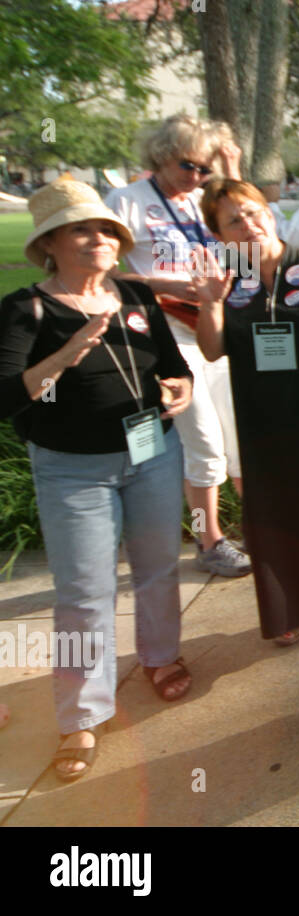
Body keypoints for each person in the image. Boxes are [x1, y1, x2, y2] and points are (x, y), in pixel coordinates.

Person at [0, 180, 195, 782]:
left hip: (151, 454)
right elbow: (8, 396)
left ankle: (161, 658)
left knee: (159, 565)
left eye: (107, 229)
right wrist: (68, 353)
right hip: (72, 470)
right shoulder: (27, 308)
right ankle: (80, 715)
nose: (99, 238)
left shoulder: (135, 294)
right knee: (83, 593)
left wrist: (180, 390)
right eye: (82, 229)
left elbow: (175, 366)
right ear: (51, 243)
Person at [191, 178, 299, 645]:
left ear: (269, 213)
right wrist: (209, 303)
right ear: (221, 237)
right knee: (277, 512)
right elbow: (211, 351)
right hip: (264, 421)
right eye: (233, 221)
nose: (247, 225)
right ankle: (291, 606)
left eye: (252, 212)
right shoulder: (229, 279)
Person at [105, 114, 251, 578]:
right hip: (167, 335)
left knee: (238, 436)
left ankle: (263, 527)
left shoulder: (198, 200)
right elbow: (103, 275)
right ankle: (209, 541)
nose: (198, 177)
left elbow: (245, 233)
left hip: (215, 327)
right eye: (191, 166)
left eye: (206, 170)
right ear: (164, 155)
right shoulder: (128, 200)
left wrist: (231, 171)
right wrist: (165, 284)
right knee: (203, 439)